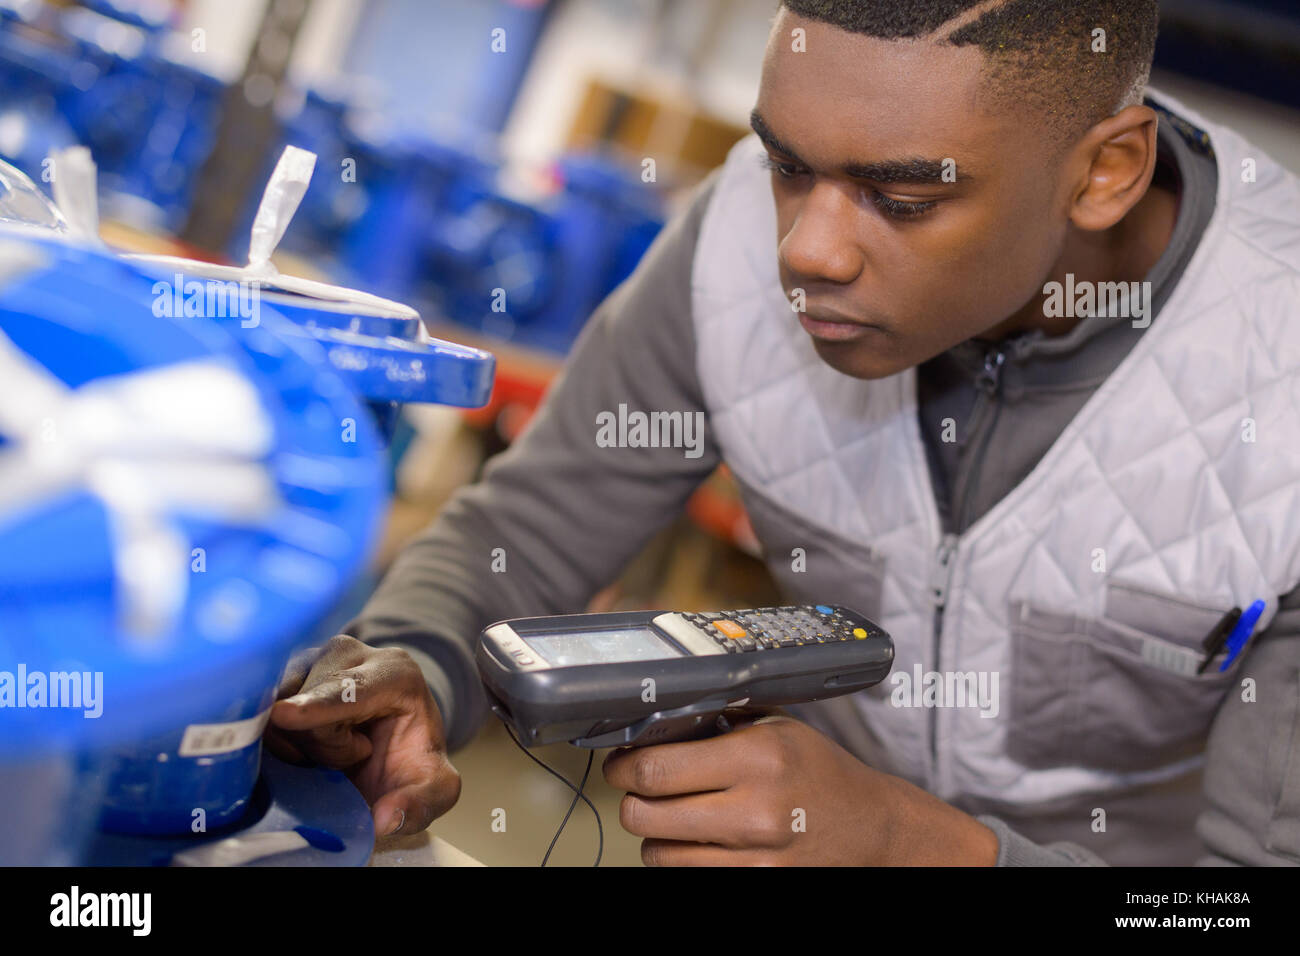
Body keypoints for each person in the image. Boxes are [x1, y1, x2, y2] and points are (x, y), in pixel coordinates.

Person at [266, 0, 1300, 865]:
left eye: (897, 197)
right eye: (785, 165)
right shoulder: (723, 256)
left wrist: (911, 844)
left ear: (1105, 172)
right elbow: (530, 528)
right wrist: (418, 666)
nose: (806, 251)